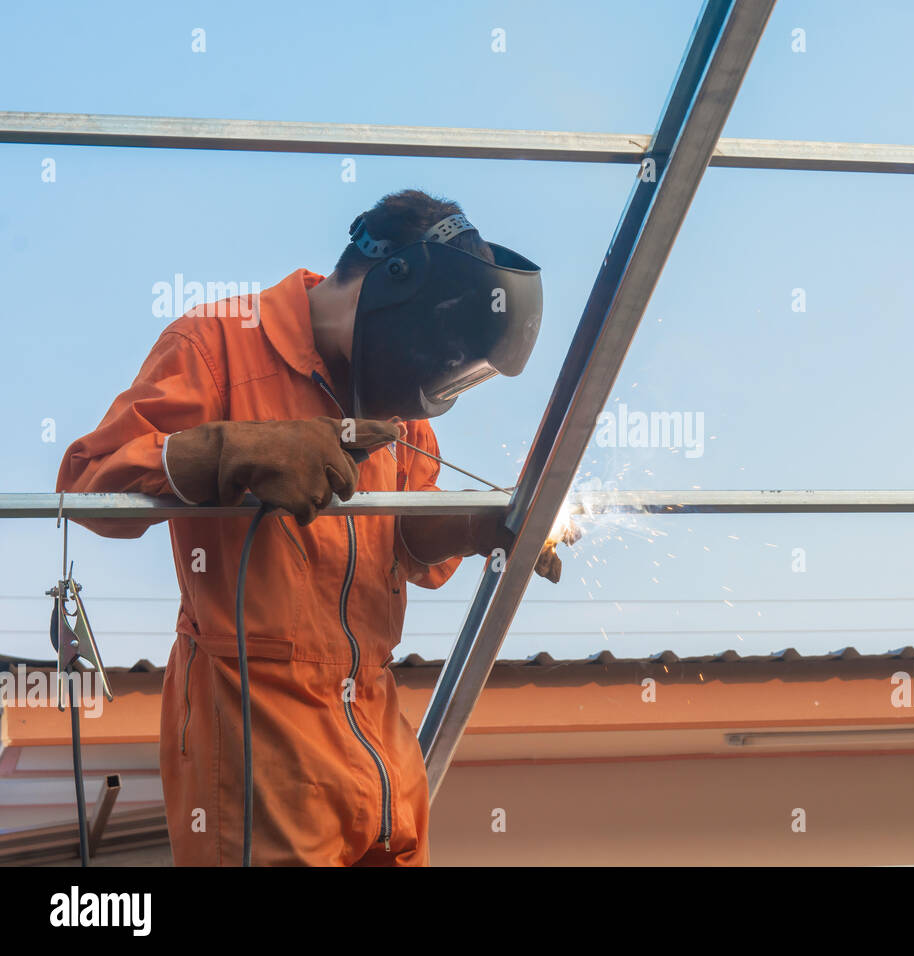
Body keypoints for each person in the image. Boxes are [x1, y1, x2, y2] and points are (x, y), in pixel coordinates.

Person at [56, 189, 567, 866]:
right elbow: (87, 485)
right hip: (254, 734)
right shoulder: (216, 343)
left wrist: (478, 526)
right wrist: (226, 451)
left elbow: (408, 546)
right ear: (392, 288)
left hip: (377, 733)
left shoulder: (396, 406)